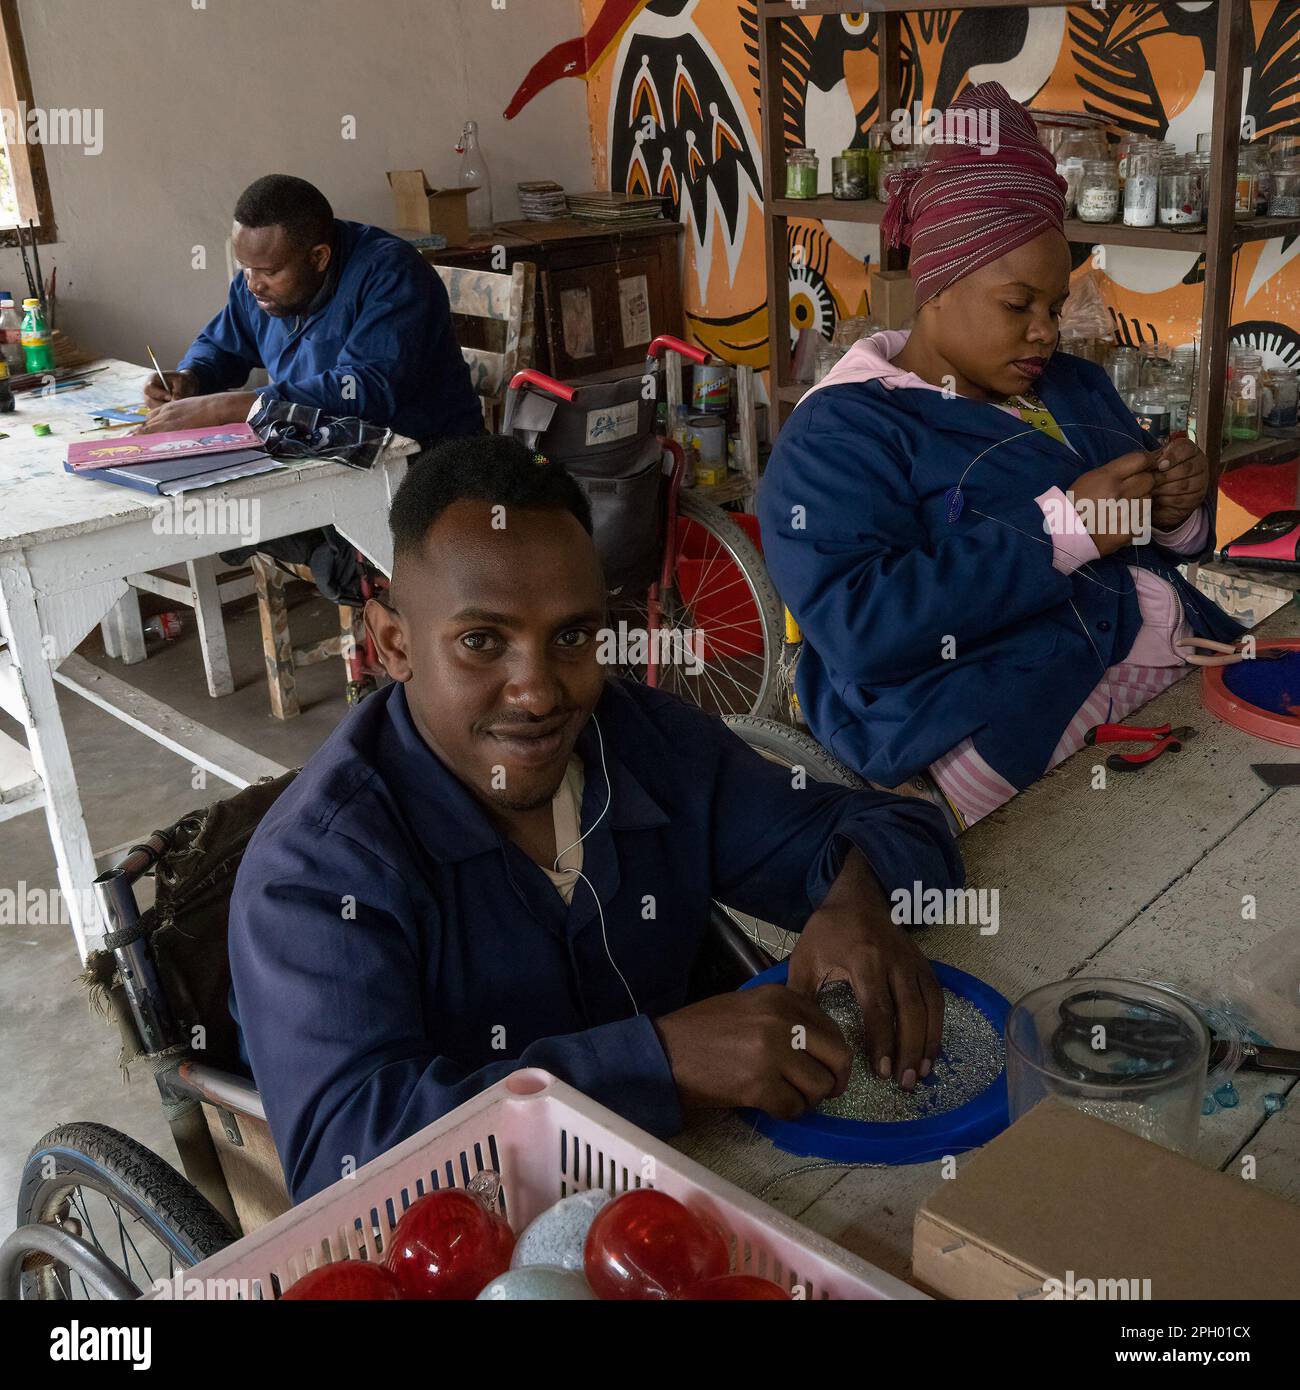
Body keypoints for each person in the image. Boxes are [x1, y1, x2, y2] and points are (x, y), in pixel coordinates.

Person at [227, 434, 962, 1203]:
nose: (539, 692)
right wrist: (660, 1063)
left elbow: (901, 829)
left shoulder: (650, 743)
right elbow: (350, 1169)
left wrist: (857, 895)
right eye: (482, 642)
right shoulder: (313, 875)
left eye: (572, 637)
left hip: (689, 1199)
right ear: (393, 644)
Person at [758, 83, 1243, 831]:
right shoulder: (842, 436)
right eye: (1019, 306)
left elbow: (1160, 544)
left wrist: (1174, 511)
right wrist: (1065, 530)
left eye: (1055, 306)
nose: (1046, 331)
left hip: (1163, 709)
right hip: (1006, 763)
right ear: (937, 286)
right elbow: (862, 629)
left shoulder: (1073, 387)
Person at [138, 173, 482, 445]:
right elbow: (221, 345)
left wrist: (232, 407)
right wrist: (191, 377)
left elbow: (366, 388)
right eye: (245, 267)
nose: (253, 284)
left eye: (270, 272)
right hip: (320, 453)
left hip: (423, 460)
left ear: (319, 257)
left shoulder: (391, 273)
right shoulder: (257, 285)